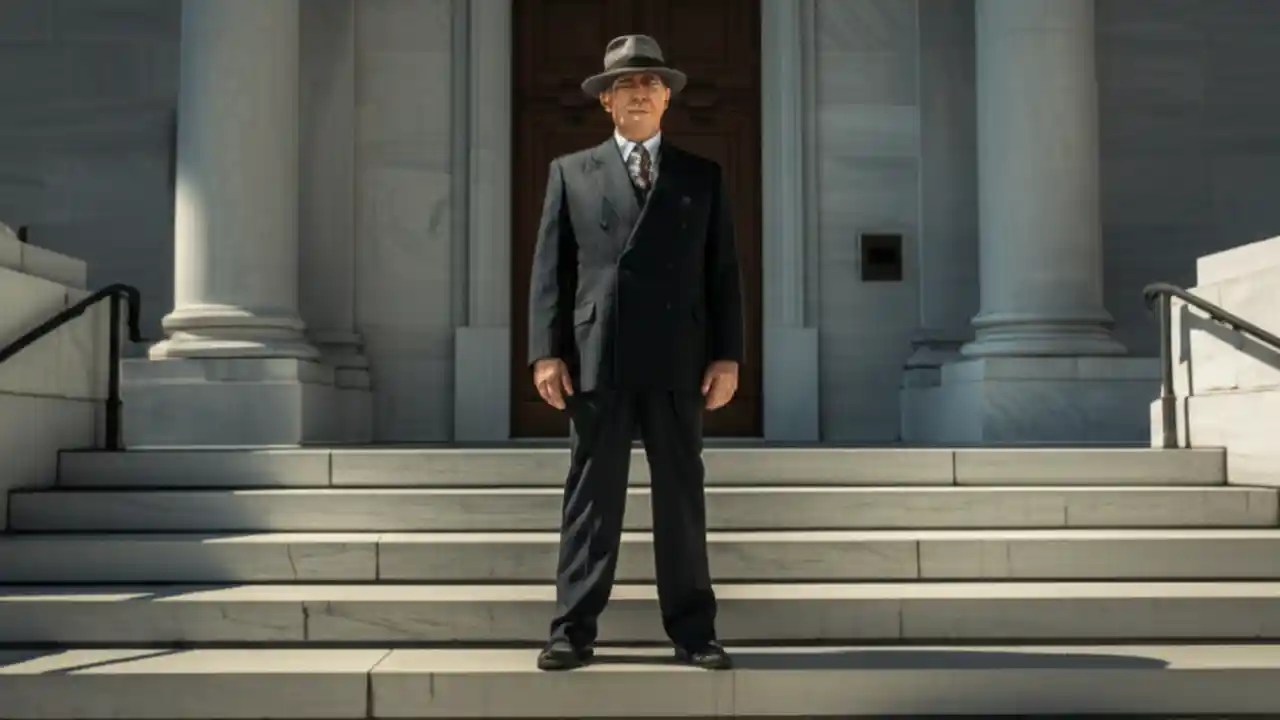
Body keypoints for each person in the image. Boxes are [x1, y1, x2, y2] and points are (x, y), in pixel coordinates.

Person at [526, 33, 744, 671]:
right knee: (592, 496)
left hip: (680, 355)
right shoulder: (570, 172)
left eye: (651, 83)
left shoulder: (702, 176)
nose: (640, 93)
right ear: (607, 101)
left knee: (680, 495)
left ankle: (694, 633)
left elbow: (723, 273)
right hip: (599, 353)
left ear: (668, 98)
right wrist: (546, 352)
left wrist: (728, 355)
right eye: (626, 84)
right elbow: (551, 271)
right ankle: (571, 631)